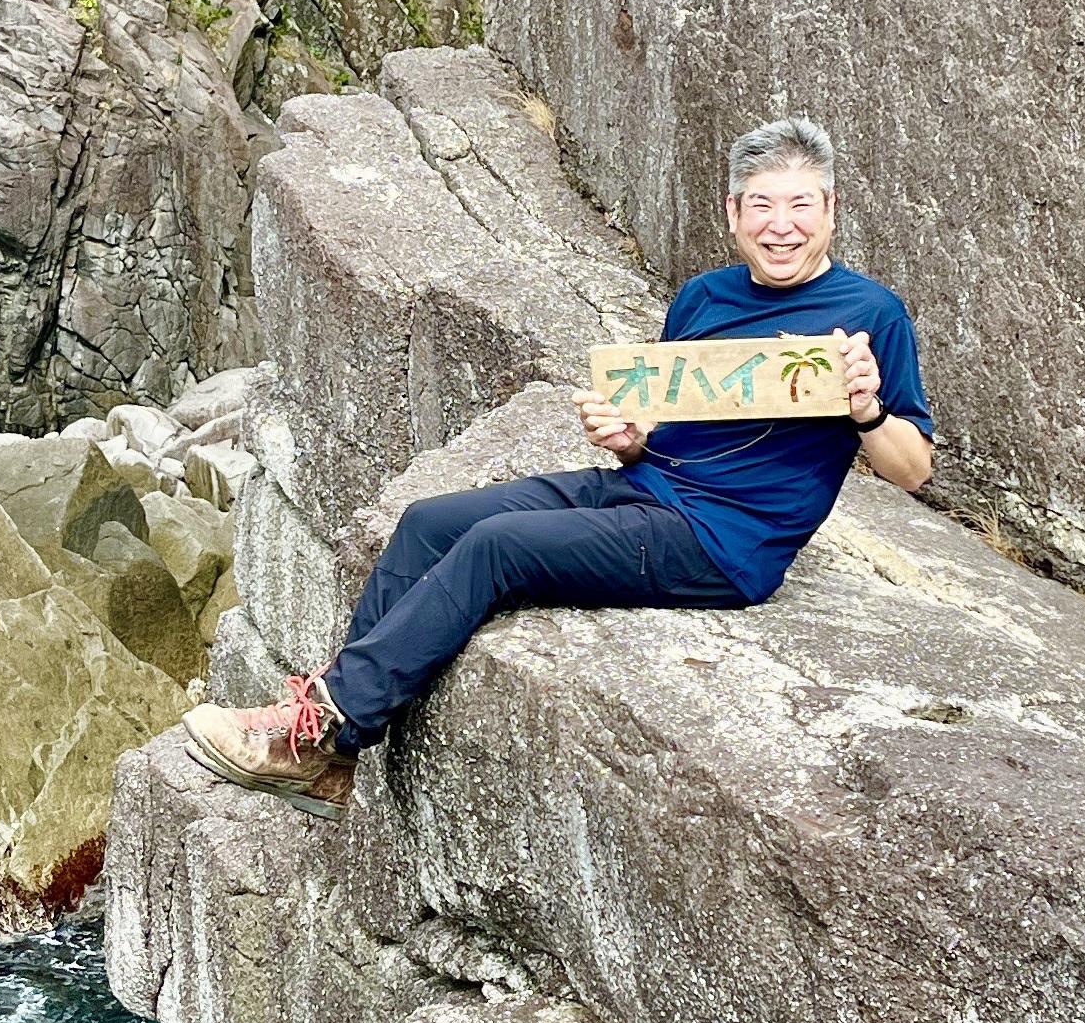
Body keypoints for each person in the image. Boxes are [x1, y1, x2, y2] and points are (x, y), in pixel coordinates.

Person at [181, 116, 934, 818]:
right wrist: (630, 438)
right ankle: (336, 762)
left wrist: (865, 408)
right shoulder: (703, 298)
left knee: (498, 549)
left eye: (800, 205)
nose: (781, 225)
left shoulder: (868, 314)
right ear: (734, 213)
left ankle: (320, 730)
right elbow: (668, 433)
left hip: (724, 541)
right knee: (428, 522)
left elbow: (913, 469)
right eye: (762, 205)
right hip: (641, 487)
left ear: (830, 209)